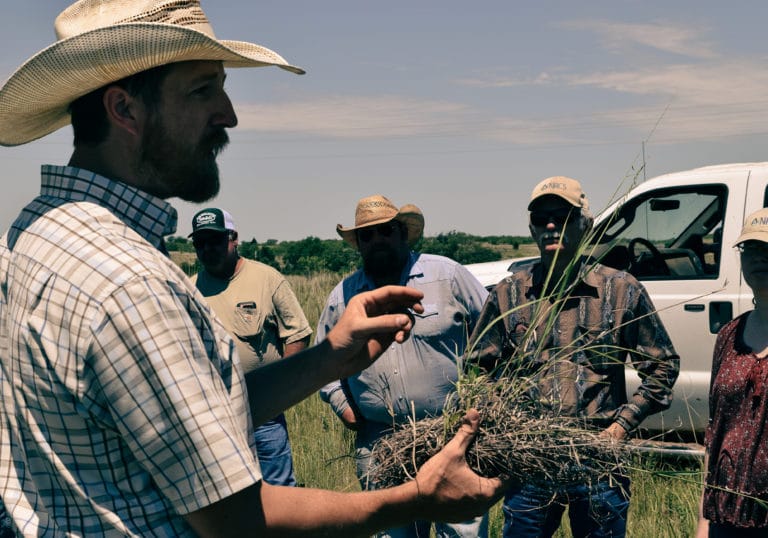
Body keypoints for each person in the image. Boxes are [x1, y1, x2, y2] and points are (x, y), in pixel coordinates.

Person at [0, 2, 505, 536]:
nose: (229, 114)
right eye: (202, 90)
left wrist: (329, 358)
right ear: (124, 108)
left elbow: (188, 419)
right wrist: (413, 499)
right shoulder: (130, 282)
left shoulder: (33, 236)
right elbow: (236, 520)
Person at [467, 176, 680, 538]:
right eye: (541, 217)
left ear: (586, 224)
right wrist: (503, 427)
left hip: (598, 460)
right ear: (532, 228)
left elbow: (663, 364)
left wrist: (621, 426)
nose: (551, 225)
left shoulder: (620, 288)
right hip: (529, 460)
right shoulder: (509, 292)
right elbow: (476, 370)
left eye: (563, 216)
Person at [317, 194, 490, 538]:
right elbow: (323, 364)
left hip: (450, 436)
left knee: (462, 533)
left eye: (385, 231)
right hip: (380, 443)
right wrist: (344, 406)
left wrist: (484, 395)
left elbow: (495, 333)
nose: (377, 240)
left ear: (402, 233)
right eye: (367, 235)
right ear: (358, 244)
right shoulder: (344, 296)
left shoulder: (447, 276)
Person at [190, 207, 312, 487]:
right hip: (213, 416)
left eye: (215, 240)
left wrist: (280, 391)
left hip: (263, 411)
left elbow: (297, 335)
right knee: (225, 492)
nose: (208, 249)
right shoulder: (190, 289)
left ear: (233, 239)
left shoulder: (267, 279)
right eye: (200, 243)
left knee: (277, 488)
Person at [696, 207, 768, 537]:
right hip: (727, 516)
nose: (759, 258)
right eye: (751, 248)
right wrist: (703, 522)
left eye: (767, 248)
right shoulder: (728, 336)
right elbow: (715, 433)